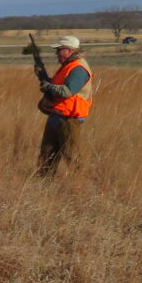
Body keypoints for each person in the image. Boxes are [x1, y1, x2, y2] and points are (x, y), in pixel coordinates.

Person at [35, 35, 94, 177]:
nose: (56, 53)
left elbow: (67, 91)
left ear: (69, 50)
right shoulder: (67, 66)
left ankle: (81, 185)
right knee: (47, 155)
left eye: (59, 49)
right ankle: (43, 185)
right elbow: (58, 86)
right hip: (57, 115)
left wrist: (47, 86)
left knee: (72, 155)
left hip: (69, 118)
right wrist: (43, 78)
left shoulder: (78, 68)